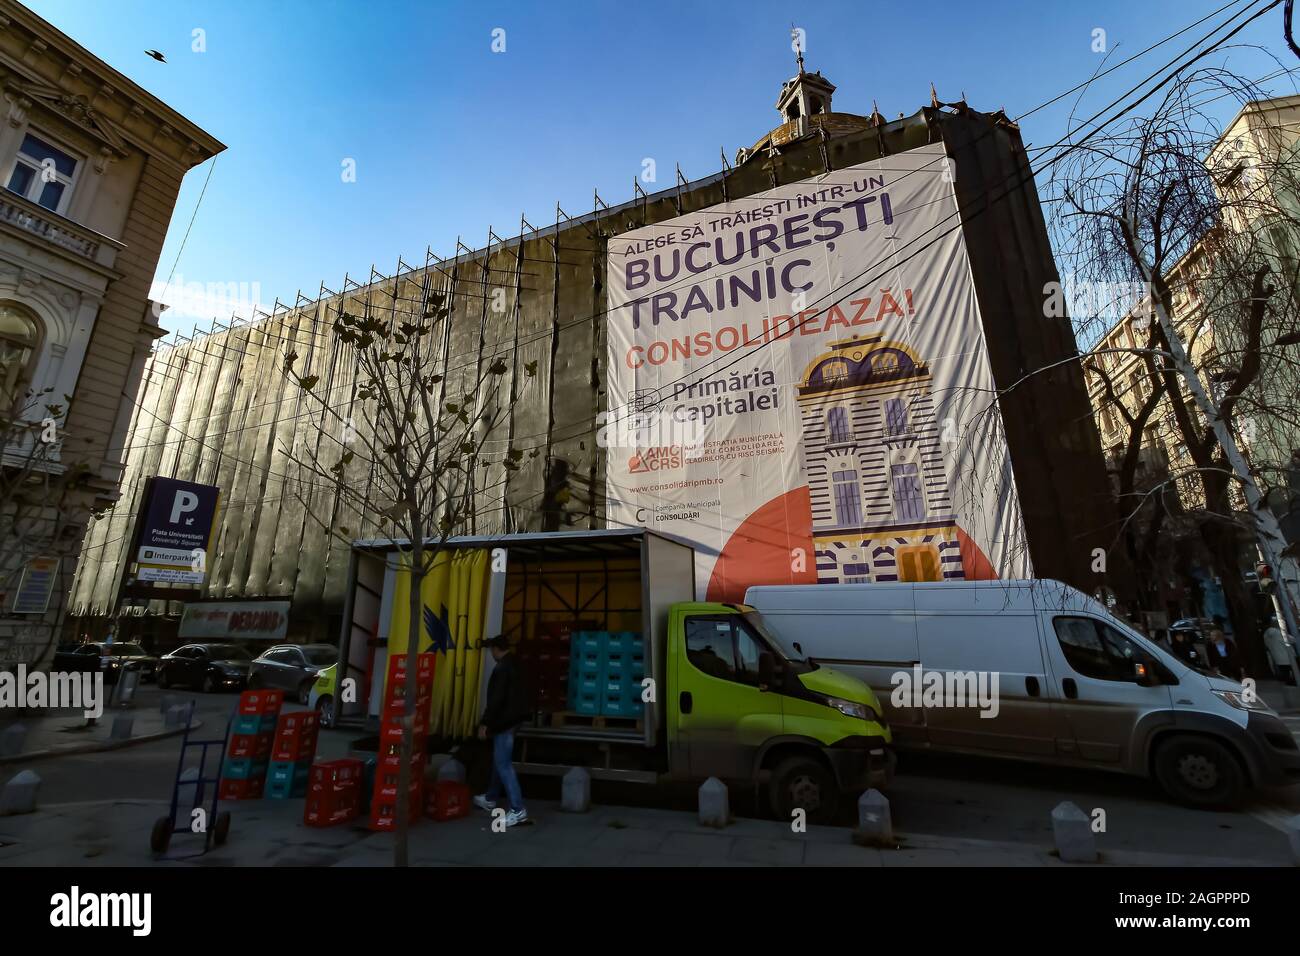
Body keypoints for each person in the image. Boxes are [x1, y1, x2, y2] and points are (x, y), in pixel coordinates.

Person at [473, 634, 531, 826]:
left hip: (504, 721)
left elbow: (496, 700)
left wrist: (485, 722)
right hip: (515, 719)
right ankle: (490, 797)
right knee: (500, 760)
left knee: (503, 764)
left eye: (491, 650)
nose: (491, 654)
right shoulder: (517, 664)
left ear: (496, 649)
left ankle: (517, 809)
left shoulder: (502, 668)